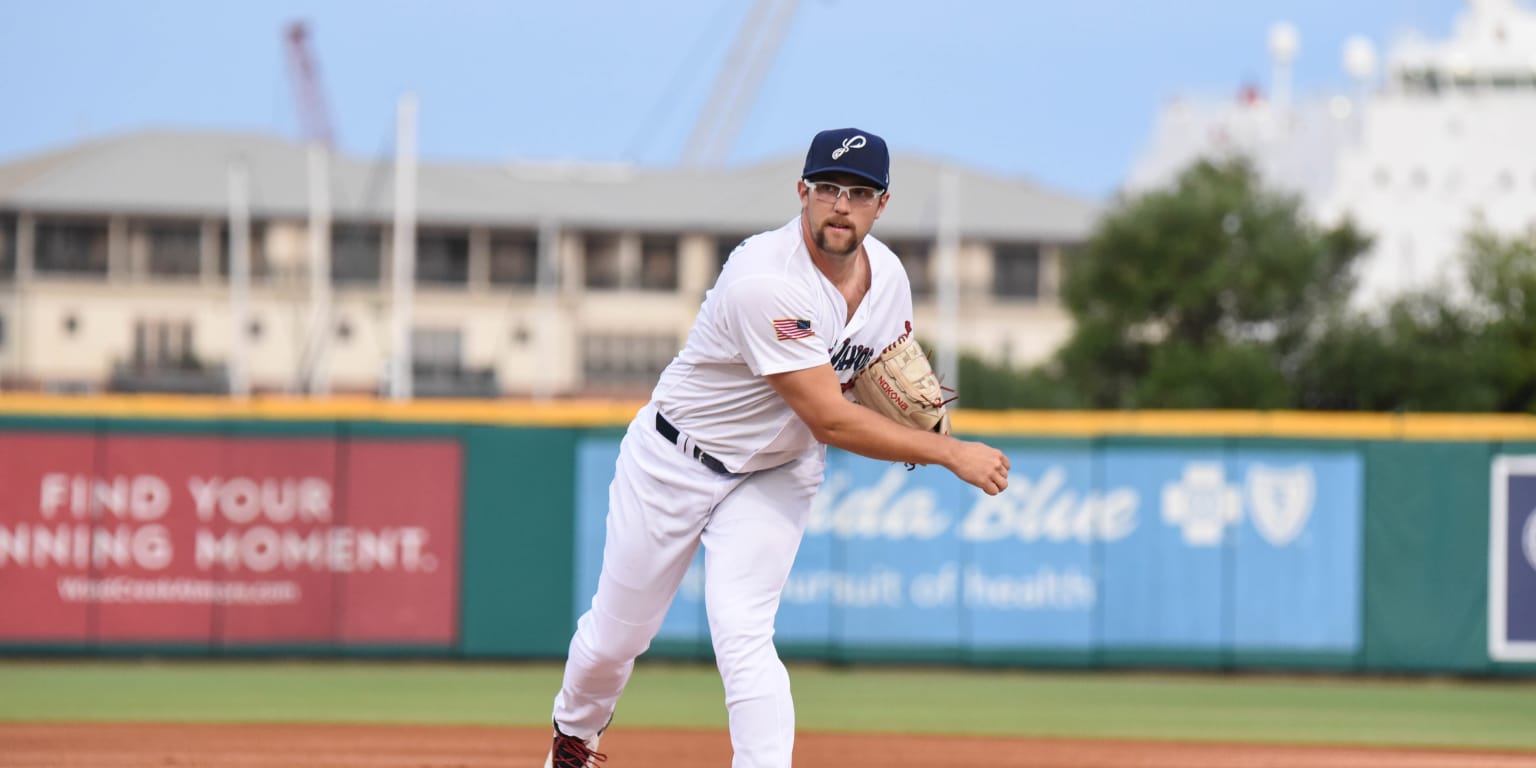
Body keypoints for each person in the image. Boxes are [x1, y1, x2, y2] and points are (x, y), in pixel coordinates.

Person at [545, 127, 1011, 768]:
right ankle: (574, 737)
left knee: (743, 632)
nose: (840, 204)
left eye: (858, 192)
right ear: (802, 193)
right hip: (674, 458)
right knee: (615, 639)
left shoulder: (891, 277)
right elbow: (829, 417)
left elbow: (886, 375)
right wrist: (950, 455)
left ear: (882, 205)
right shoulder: (763, 279)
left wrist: (934, 430)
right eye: (827, 188)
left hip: (775, 470)